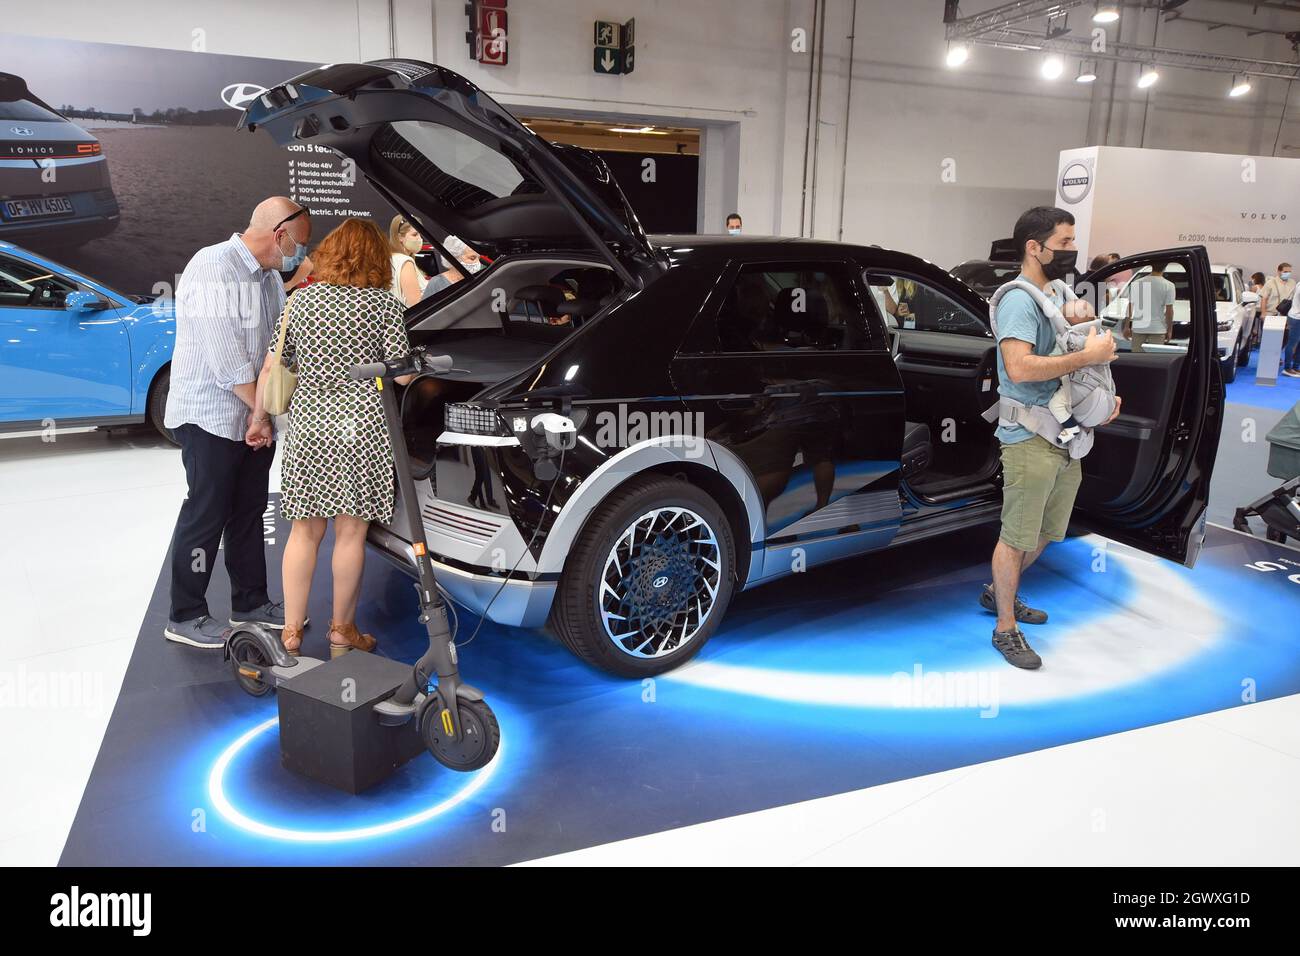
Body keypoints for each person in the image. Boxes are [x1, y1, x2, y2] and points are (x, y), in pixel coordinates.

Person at [248, 219, 416, 657]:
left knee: (304, 533)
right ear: (376, 258)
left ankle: (290, 633)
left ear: (330, 253)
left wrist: (259, 418)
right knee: (350, 535)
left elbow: (272, 368)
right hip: (361, 428)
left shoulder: (299, 302)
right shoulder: (383, 306)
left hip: (309, 428)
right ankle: (343, 632)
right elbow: (403, 375)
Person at [162, 197, 311, 649]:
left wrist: (261, 416)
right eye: (300, 244)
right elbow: (226, 362)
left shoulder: (268, 280)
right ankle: (185, 614)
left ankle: (250, 601)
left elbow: (272, 349)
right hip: (209, 414)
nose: (301, 253)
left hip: (251, 417)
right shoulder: (214, 266)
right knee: (205, 514)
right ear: (280, 233)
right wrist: (260, 414)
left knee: (249, 511)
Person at [984, 206, 1121, 669]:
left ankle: (999, 592)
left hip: (1065, 433)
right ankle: (1005, 628)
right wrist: (1086, 359)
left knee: (1046, 530)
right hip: (1029, 434)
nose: (1072, 251)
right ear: (1034, 247)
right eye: (1063, 243)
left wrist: (1099, 396)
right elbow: (1021, 368)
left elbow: (1080, 351)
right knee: (1017, 534)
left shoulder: (1059, 292)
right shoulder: (1019, 302)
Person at [1123, 261, 1175, 353]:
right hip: (1158, 328)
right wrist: (1169, 329)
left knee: (1136, 359)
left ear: (1151, 266)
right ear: (1165, 267)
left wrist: (1126, 326)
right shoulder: (1169, 286)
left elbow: (1130, 306)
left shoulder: (1137, 282)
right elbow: (1169, 311)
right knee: (1154, 360)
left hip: (1139, 327)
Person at [418, 234, 482, 301]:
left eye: (479, 258)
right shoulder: (437, 283)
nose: (477, 262)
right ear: (455, 258)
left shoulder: (479, 277)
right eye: (472, 258)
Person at [388, 215, 429, 306]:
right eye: (414, 234)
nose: (420, 239)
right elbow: (416, 304)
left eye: (420, 234)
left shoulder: (390, 259)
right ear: (400, 237)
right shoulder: (405, 261)